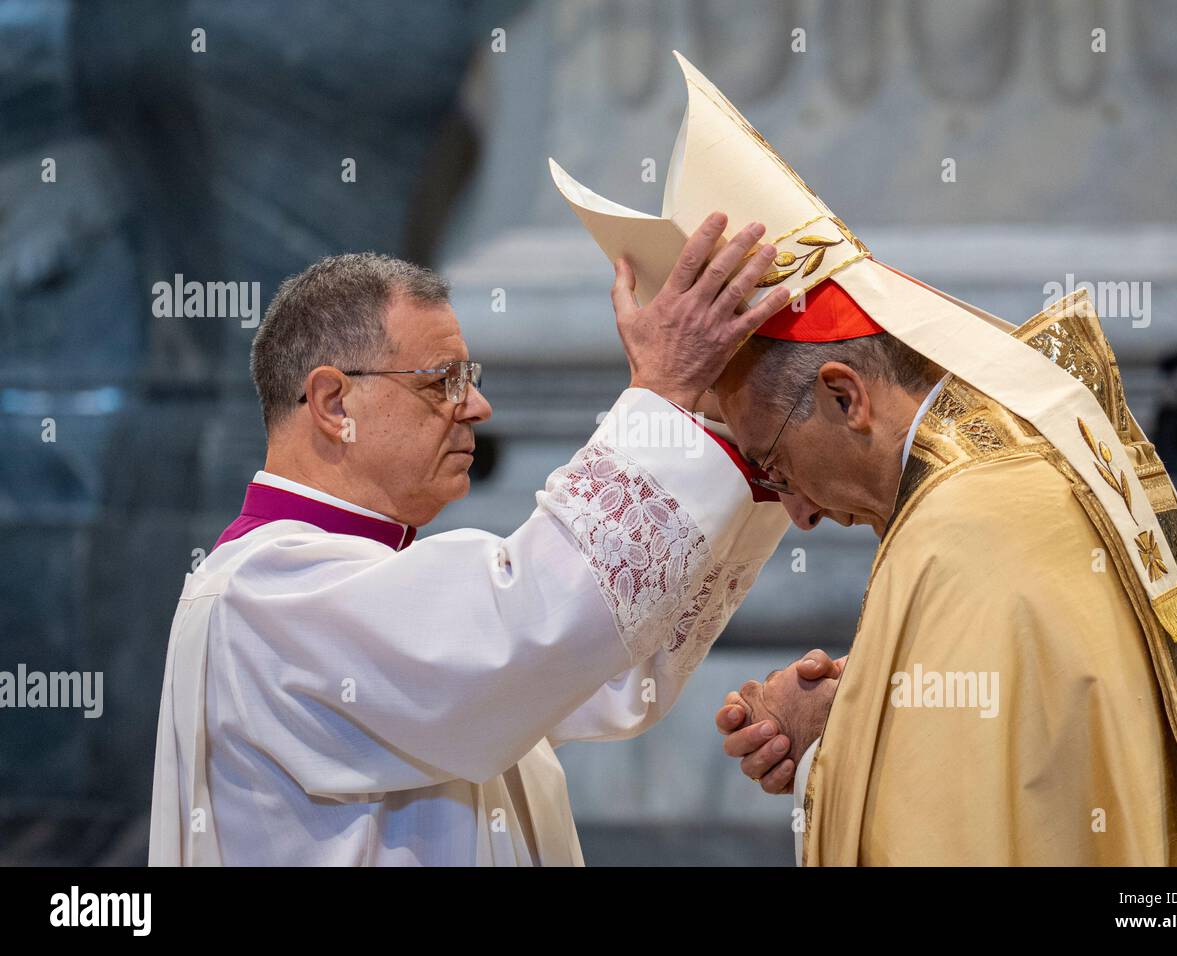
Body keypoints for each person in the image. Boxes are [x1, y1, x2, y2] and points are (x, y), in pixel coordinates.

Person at [148, 215, 793, 866]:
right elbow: (528, 627)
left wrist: (717, 415)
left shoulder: (345, 581)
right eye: (443, 382)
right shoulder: (266, 592)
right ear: (334, 404)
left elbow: (604, 667)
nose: (479, 407)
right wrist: (662, 396)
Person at [711, 282, 1177, 865]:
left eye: (779, 469)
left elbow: (940, 828)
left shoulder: (960, 521)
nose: (802, 515)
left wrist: (834, 735)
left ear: (845, 397)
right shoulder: (1031, 456)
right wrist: (861, 697)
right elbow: (1040, 720)